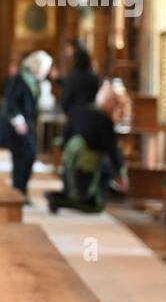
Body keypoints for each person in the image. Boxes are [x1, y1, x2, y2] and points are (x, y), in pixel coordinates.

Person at [46, 80, 126, 213]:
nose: (116, 108)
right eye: (115, 104)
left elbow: (65, 137)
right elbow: (112, 149)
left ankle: (60, 198)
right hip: (87, 170)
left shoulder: (78, 112)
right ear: (110, 103)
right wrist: (121, 172)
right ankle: (62, 200)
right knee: (95, 206)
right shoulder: (104, 120)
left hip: (68, 166)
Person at [0, 49, 52, 199]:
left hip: (28, 125)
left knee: (29, 156)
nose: (47, 72)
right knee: (21, 159)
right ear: (38, 67)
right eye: (45, 69)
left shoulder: (34, 81)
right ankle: (18, 192)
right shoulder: (19, 79)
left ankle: (21, 190)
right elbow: (10, 102)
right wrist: (19, 121)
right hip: (17, 127)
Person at [60, 40, 99, 114]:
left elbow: (65, 101)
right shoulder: (93, 77)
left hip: (76, 116)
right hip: (90, 116)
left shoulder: (73, 77)